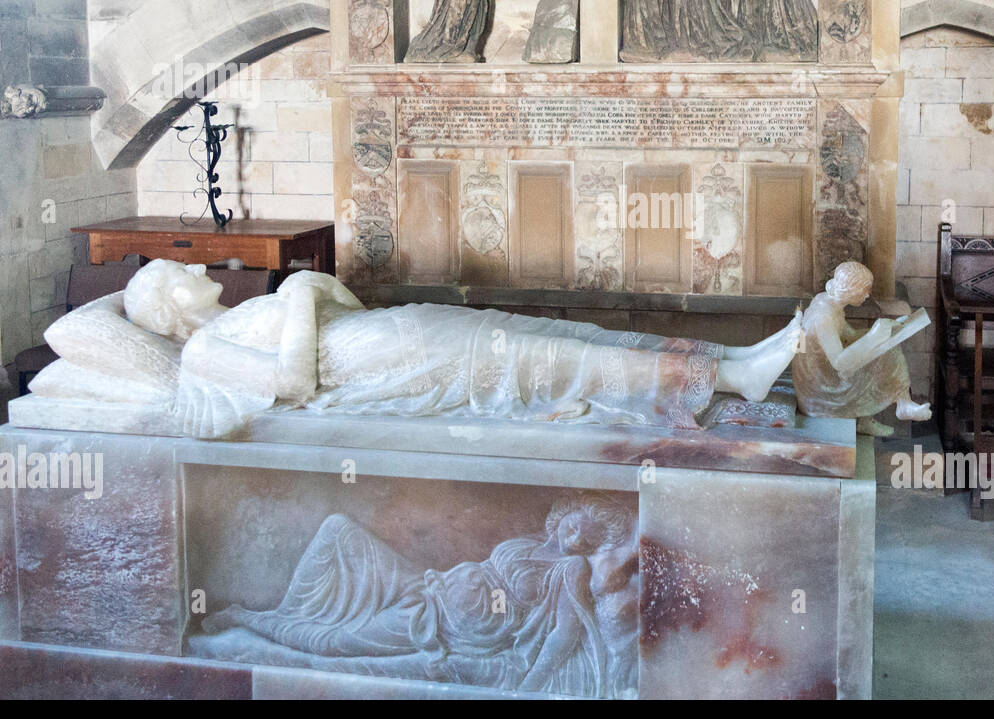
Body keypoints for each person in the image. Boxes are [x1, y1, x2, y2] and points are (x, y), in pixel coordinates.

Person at [62, 260, 802, 440]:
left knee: (556, 337)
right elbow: (291, 383)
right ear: (168, 312)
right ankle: (733, 376)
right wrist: (298, 298)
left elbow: (343, 302)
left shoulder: (245, 306)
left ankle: (726, 359)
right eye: (177, 276)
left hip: (393, 331)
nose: (194, 269)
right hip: (380, 369)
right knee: (544, 368)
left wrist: (312, 294)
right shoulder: (202, 355)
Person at [192, 495, 639, 698]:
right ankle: (275, 614)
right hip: (427, 588)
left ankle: (243, 620)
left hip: (440, 630)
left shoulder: (570, 568)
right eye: (575, 522)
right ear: (565, 514)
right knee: (340, 532)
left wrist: (531, 685)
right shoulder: (527, 544)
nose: (575, 535)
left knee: (331, 643)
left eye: (587, 536)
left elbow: (563, 633)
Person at [793, 261, 931, 436]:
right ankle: (899, 405)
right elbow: (839, 363)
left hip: (823, 372)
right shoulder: (824, 315)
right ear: (851, 288)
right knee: (881, 354)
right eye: (865, 289)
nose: (867, 295)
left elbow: (849, 336)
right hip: (819, 388)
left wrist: (889, 328)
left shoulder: (830, 302)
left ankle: (897, 405)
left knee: (885, 347)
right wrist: (874, 336)